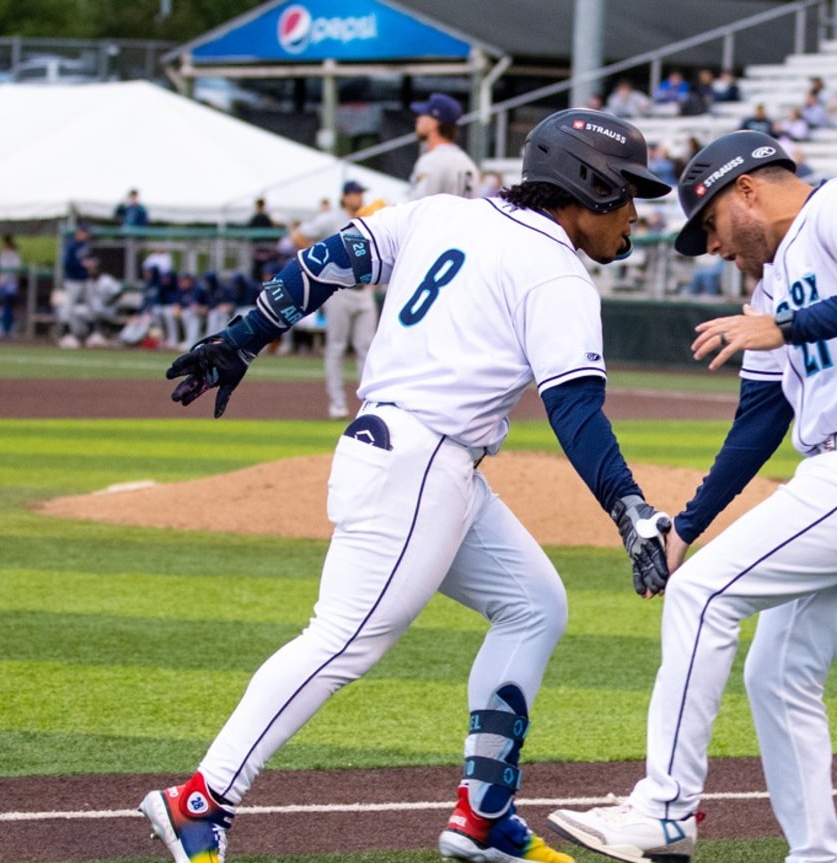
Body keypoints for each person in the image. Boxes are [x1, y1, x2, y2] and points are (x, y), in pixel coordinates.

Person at [140, 108, 679, 863]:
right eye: (628, 194)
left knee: (534, 606)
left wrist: (243, 337)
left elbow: (326, 259)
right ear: (588, 185)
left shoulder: (441, 213)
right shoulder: (556, 270)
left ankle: (483, 816)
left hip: (416, 457)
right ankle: (199, 801)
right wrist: (629, 508)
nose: (635, 215)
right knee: (342, 640)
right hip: (420, 464)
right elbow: (575, 410)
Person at [546, 128, 837, 863]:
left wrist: (785, 326)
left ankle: (665, 812)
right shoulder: (768, 289)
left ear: (746, 189)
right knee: (778, 672)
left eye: (709, 224)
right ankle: (815, 855)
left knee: (703, 597)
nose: (712, 247)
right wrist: (687, 528)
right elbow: (759, 422)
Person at [292, 180, 377, 419]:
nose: (359, 197)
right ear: (345, 197)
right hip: (339, 290)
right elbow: (298, 236)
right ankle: (337, 403)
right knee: (336, 346)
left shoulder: (369, 217)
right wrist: (319, 263)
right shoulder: (331, 219)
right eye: (355, 193)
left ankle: (368, 403)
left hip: (365, 290)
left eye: (361, 193)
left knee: (367, 348)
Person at [409, 93, 480, 200]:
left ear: (433, 123)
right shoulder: (468, 163)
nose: (418, 119)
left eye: (423, 114)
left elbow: (418, 205)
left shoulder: (432, 161)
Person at [0, 233, 20, 338]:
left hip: (10, 284)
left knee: (9, 306)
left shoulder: (14, 254)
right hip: (0, 284)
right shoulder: (0, 254)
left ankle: (9, 328)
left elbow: (16, 270)